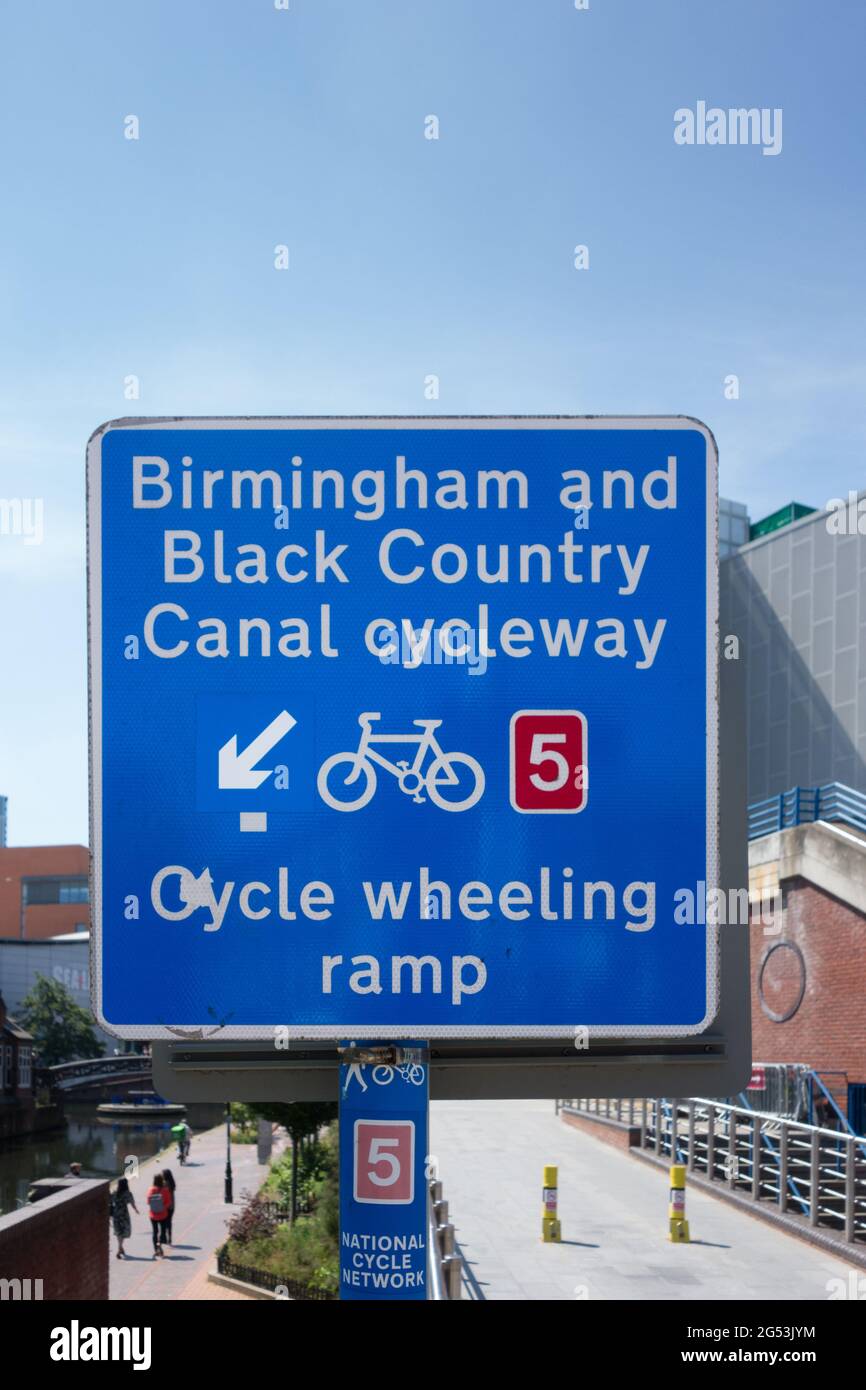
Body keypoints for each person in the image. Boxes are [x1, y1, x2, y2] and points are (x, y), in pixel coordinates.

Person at [110, 1177, 138, 1259]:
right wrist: (136, 1210)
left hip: (116, 1214)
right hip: (124, 1214)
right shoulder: (128, 1193)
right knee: (124, 1230)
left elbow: (110, 1201)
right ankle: (119, 1249)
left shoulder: (115, 1193)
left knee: (118, 1231)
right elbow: (132, 1203)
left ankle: (120, 1247)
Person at [146, 1173, 169, 1258]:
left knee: (155, 1232)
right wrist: (162, 1207)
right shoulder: (165, 1190)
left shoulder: (151, 1190)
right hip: (163, 1214)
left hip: (153, 1215)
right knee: (163, 1231)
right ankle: (160, 1243)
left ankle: (156, 1249)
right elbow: (168, 1202)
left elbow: (148, 1202)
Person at [161, 1168, 176, 1246]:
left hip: (166, 1205)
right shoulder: (172, 1183)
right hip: (172, 1204)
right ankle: (169, 1237)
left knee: (164, 1222)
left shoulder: (164, 1184)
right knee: (169, 1221)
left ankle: (164, 1238)